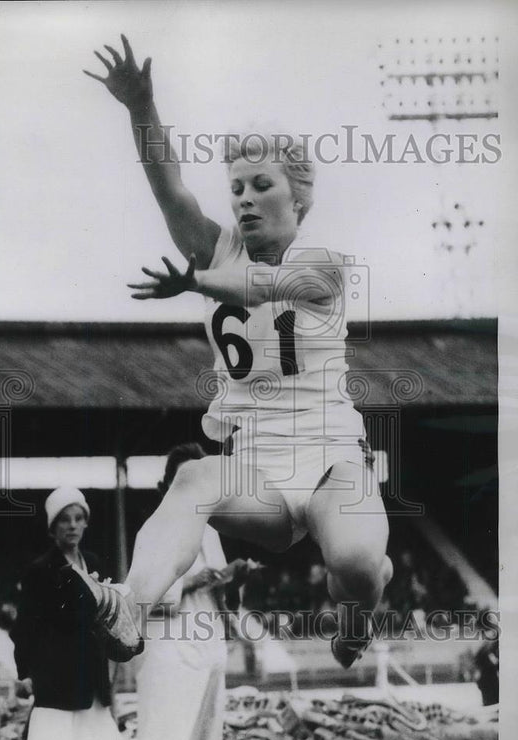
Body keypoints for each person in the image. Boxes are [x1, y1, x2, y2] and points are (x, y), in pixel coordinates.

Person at [82, 35, 393, 669]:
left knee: (357, 564)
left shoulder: (324, 264)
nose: (244, 198)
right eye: (236, 188)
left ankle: (362, 606)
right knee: (193, 477)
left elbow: (265, 285)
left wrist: (195, 282)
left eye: (260, 184)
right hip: (256, 464)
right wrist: (141, 108)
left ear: (297, 195)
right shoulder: (217, 248)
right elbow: (169, 188)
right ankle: (129, 609)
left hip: (333, 456)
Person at [135, 443, 249, 740]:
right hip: (169, 651)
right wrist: (187, 583)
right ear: (165, 487)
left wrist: (232, 582)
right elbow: (139, 596)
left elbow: (219, 592)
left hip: (207, 649)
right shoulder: (153, 532)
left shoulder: (209, 532)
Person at [10, 486, 127, 740]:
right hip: (56, 681)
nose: (72, 525)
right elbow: (25, 628)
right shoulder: (39, 570)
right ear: (53, 527)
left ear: (86, 522)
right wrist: (24, 672)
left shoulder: (94, 562)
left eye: (78, 518)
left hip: (93, 676)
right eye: (64, 519)